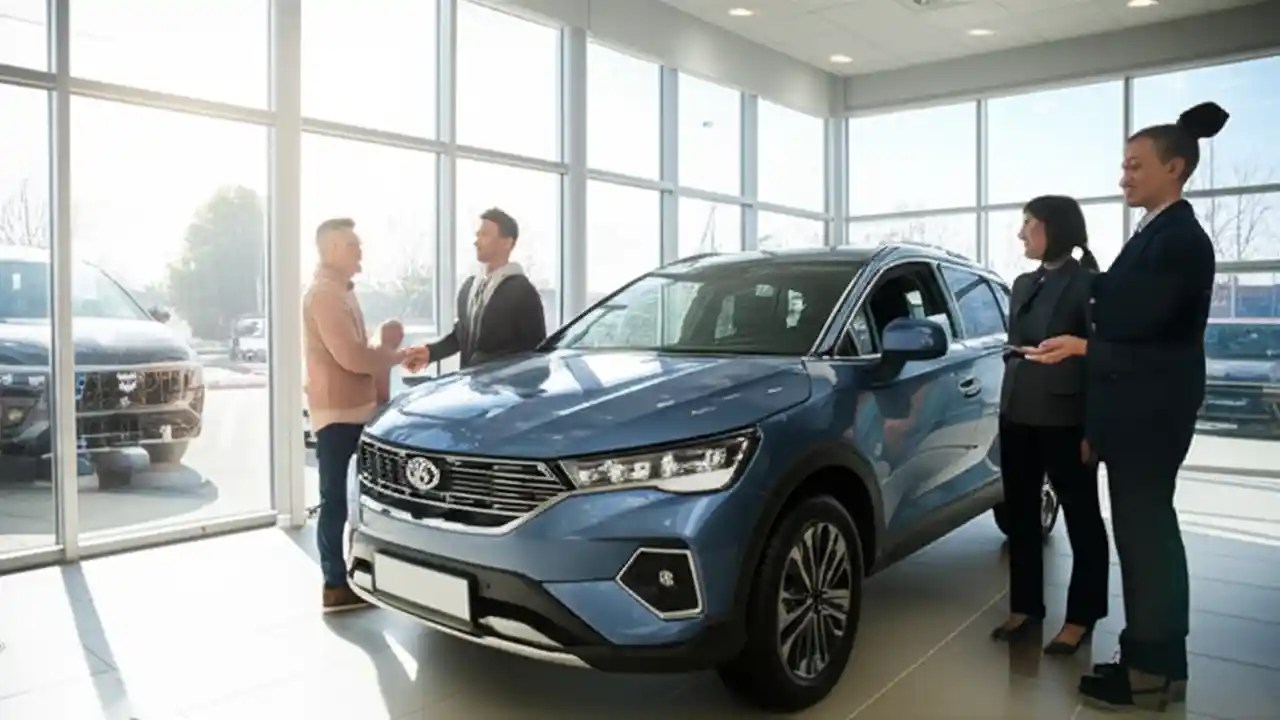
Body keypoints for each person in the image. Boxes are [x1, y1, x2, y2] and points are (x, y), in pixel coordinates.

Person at [1027, 101, 1229, 711]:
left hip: (1152, 412)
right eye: (1124, 166)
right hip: (1136, 411)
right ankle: (1153, 662)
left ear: (1175, 167)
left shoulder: (1180, 240)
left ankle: (1151, 673)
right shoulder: (1155, 234)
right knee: (1145, 541)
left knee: (1148, 543)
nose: (1124, 178)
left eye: (1135, 166)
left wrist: (1084, 345)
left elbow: (1156, 338)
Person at [990, 195, 1109, 657]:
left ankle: (1081, 616)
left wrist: (1092, 431)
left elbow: (1099, 362)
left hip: (1065, 420)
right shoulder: (1023, 283)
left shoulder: (1088, 284)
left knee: (1081, 519)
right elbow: (1015, 343)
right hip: (1017, 413)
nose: (1021, 233)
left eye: (1029, 224)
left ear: (1054, 228)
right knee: (1021, 516)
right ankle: (1025, 608)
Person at [303, 217, 407, 612]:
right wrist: (395, 356)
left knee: (353, 499)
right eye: (352, 245)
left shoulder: (340, 293)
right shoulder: (325, 296)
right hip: (339, 415)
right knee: (335, 502)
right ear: (331, 250)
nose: (360, 250)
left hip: (353, 411)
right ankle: (335, 584)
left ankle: (352, 577)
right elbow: (351, 357)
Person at [403, 208, 546, 372]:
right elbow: (461, 335)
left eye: (484, 235)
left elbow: (536, 352)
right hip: (471, 384)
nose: (477, 242)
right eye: (477, 235)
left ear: (507, 242)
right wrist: (431, 352)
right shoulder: (469, 287)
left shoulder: (523, 292)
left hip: (504, 386)